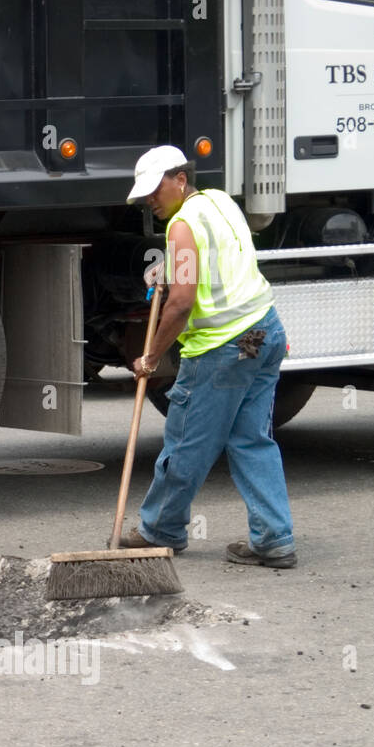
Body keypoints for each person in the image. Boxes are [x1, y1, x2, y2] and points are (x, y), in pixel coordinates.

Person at [120, 145, 297, 568]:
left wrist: (149, 357)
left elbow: (180, 305)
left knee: (187, 442)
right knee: (251, 437)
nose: (150, 198)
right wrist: (171, 268)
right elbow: (216, 254)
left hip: (224, 348)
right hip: (261, 332)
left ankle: (160, 529)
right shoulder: (218, 201)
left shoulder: (180, 226)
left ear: (180, 178)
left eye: (156, 188)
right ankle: (274, 538)